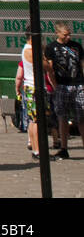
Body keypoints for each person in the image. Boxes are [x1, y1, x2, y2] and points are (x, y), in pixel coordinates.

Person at [46, 22, 83, 160]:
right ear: (57, 33)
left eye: (69, 34)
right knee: (63, 117)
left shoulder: (76, 46)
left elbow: (81, 64)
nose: (68, 37)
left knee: (82, 117)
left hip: (78, 83)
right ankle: (64, 148)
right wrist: (55, 85)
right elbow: (50, 68)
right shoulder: (51, 48)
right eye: (65, 34)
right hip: (62, 84)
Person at [16, 48, 56, 159]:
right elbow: (48, 67)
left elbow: (19, 76)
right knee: (39, 120)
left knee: (33, 120)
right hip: (35, 88)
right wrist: (45, 58)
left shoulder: (25, 50)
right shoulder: (31, 50)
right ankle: (39, 151)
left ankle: (36, 150)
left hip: (30, 88)